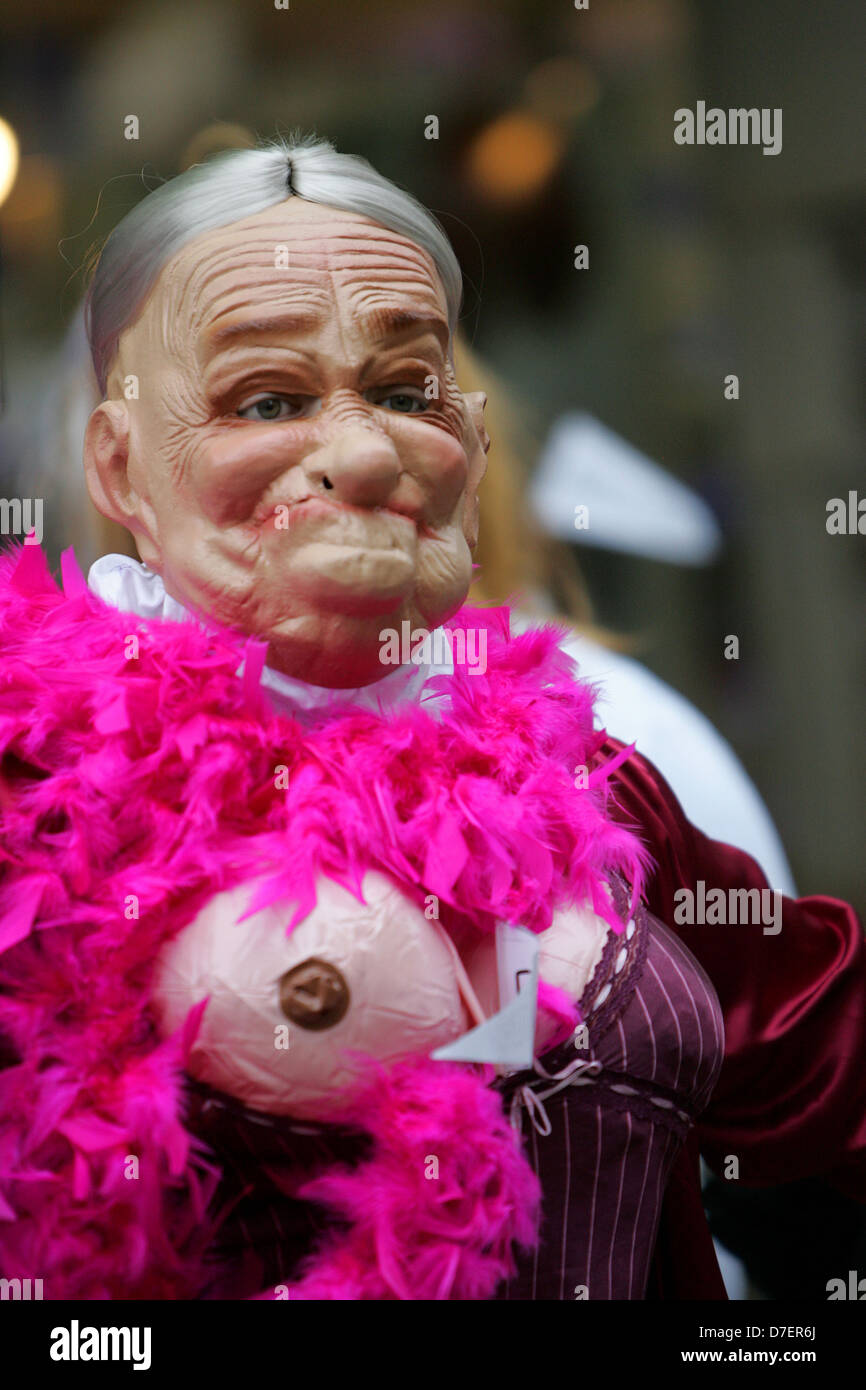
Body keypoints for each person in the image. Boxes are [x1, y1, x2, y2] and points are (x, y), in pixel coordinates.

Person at [0, 134, 862, 1300]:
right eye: (268, 397)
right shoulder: (30, 796)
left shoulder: (600, 781)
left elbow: (819, 1063)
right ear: (118, 466)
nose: (362, 451)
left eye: (407, 391)